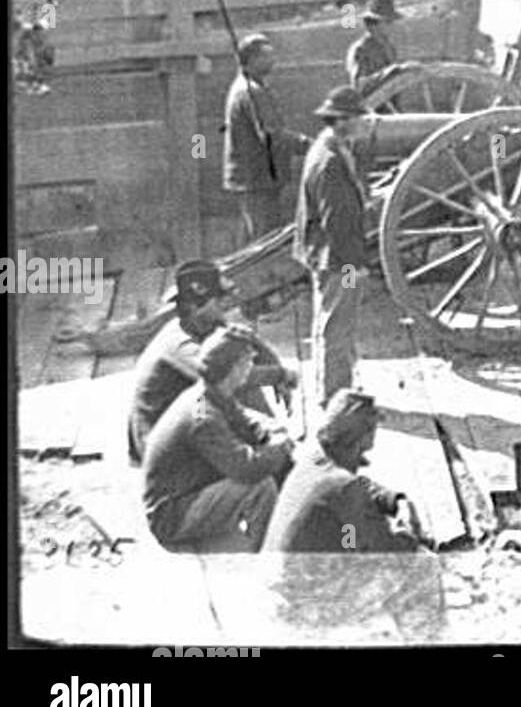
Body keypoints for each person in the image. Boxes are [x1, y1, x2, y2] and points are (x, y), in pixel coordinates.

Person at [127, 259, 298, 465]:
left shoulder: (202, 324)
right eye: (217, 302)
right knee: (237, 386)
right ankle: (273, 458)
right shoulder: (178, 344)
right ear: (193, 306)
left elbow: (243, 337)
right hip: (158, 444)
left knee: (237, 374)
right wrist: (281, 375)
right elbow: (225, 378)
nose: (224, 307)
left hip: (185, 422)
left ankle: (274, 453)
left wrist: (271, 360)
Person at [141, 327, 295, 553]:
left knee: (269, 460)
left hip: (188, 489)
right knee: (259, 487)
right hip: (172, 516)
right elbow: (246, 469)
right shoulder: (202, 416)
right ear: (233, 370)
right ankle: (269, 557)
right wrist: (279, 448)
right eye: (247, 362)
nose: (250, 368)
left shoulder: (209, 394)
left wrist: (269, 433)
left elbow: (244, 419)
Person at [263, 390, 422, 554]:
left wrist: (392, 499)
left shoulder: (312, 459)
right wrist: (407, 530)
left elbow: (358, 489)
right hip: (304, 577)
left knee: (350, 538)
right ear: (366, 437)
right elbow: (389, 552)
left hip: (280, 572)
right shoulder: (344, 486)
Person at [294, 86, 372, 412]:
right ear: (341, 121)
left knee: (331, 321)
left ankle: (335, 389)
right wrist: (356, 266)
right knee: (339, 325)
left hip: (331, 257)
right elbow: (336, 222)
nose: (364, 122)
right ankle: (336, 398)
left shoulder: (331, 148)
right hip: (339, 261)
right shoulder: (329, 162)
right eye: (358, 117)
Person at [222, 33, 310, 244]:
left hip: (252, 179)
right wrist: (309, 145)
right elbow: (272, 136)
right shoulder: (252, 92)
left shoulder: (245, 87)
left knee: (255, 240)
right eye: (266, 56)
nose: (273, 61)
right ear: (251, 60)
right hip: (257, 180)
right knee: (265, 243)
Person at [346, 0, 403, 96]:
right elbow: (359, 85)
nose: (392, 26)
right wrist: (391, 72)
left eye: (392, 21)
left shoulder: (389, 47)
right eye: (388, 22)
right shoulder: (361, 49)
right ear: (372, 25)